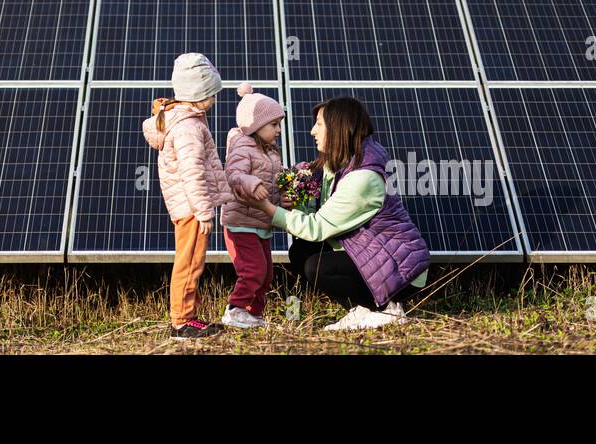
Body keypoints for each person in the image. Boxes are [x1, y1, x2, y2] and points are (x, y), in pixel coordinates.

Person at [240, 96, 429, 330]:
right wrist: (297, 206)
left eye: (319, 124)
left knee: (317, 266)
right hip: (368, 254)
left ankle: (386, 310)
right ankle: (363, 308)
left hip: (400, 267)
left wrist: (267, 209)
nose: (311, 131)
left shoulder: (363, 178)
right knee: (301, 251)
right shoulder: (337, 165)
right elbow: (325, 214)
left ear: (340, 127)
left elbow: (318, 227)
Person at [141, 52, 233, 340]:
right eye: (211, 94)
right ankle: (182, 321)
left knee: (192, 260)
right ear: (198, 94)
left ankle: (189, 316)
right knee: (190, 261)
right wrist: (204, 211)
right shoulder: (189, 127)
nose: (215, 100)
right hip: (192, 207)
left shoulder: (184, 120)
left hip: (188, 204)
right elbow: (192, 172)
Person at [219, 82, 285, 329]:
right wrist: (249, 181)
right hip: (241, 222)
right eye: (274, 125)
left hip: (260, 222)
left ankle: (254, 314)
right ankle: (236, 309)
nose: (278, 130)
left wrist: (283, 198)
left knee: (266, 273)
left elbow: (272, 185)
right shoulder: (242, 146)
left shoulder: (271, 151)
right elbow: (233, 175)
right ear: (256, 125)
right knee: (253, 270)